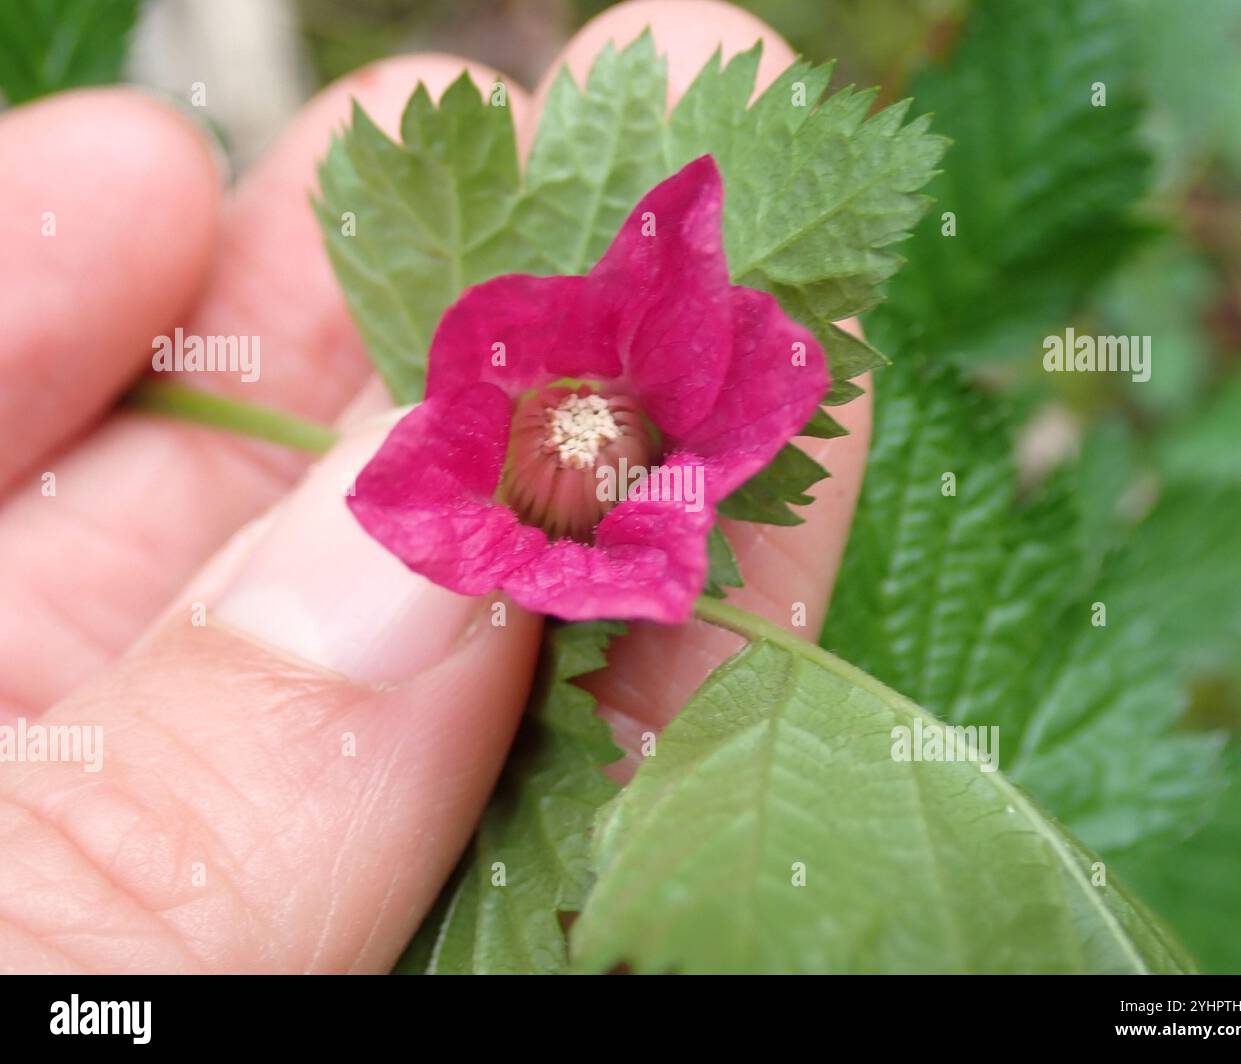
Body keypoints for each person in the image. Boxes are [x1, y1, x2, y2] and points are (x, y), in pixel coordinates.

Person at [0, 0, 870, 973]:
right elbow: (408, 507)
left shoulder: (662, 490)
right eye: (559, 401)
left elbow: (737, 386)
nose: (583, 425)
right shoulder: (449, 487)